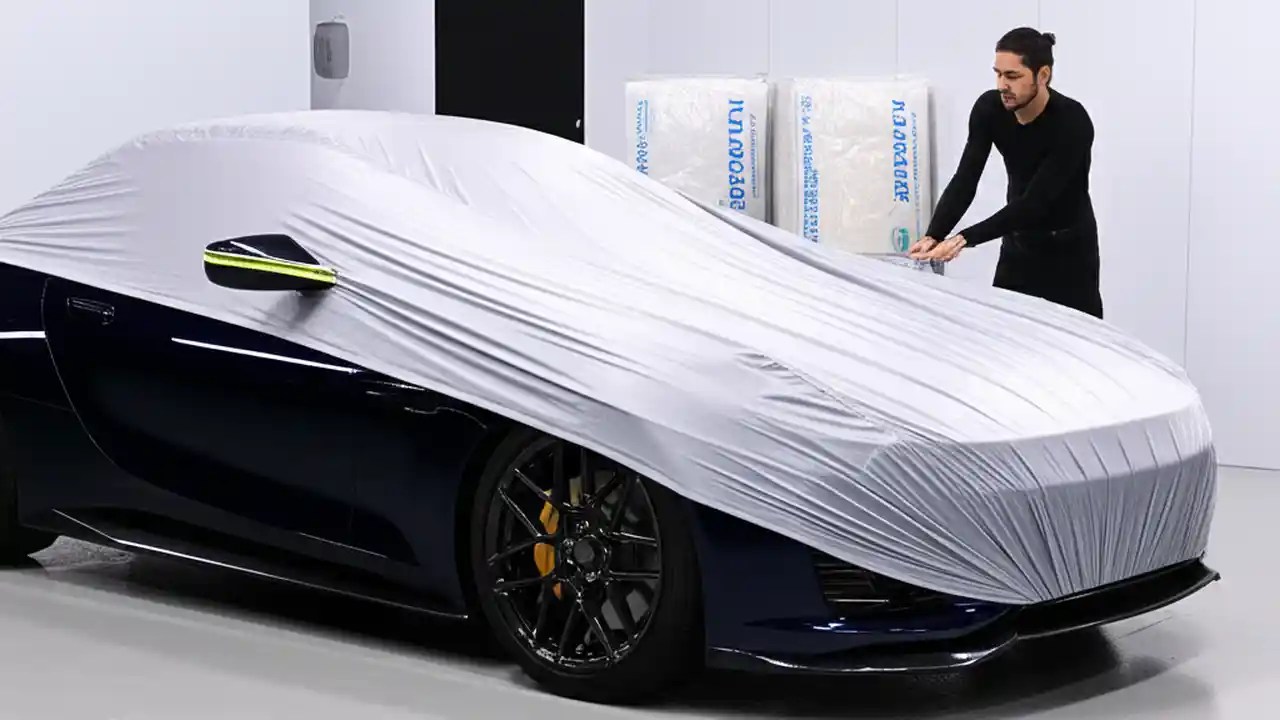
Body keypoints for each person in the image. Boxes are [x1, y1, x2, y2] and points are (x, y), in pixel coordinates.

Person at [908, 27, 1103, 318]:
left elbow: (1035, 203)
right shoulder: (990, 109)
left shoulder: (1072, 121)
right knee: (1005, 338)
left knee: (1081, 349)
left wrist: (963, 238)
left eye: (1012, 76)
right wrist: (934, 234)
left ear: (1043, 75)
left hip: (1069, 252)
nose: (1002, 85)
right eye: (998, 74)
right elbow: (965, 179)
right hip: (1019, 247)